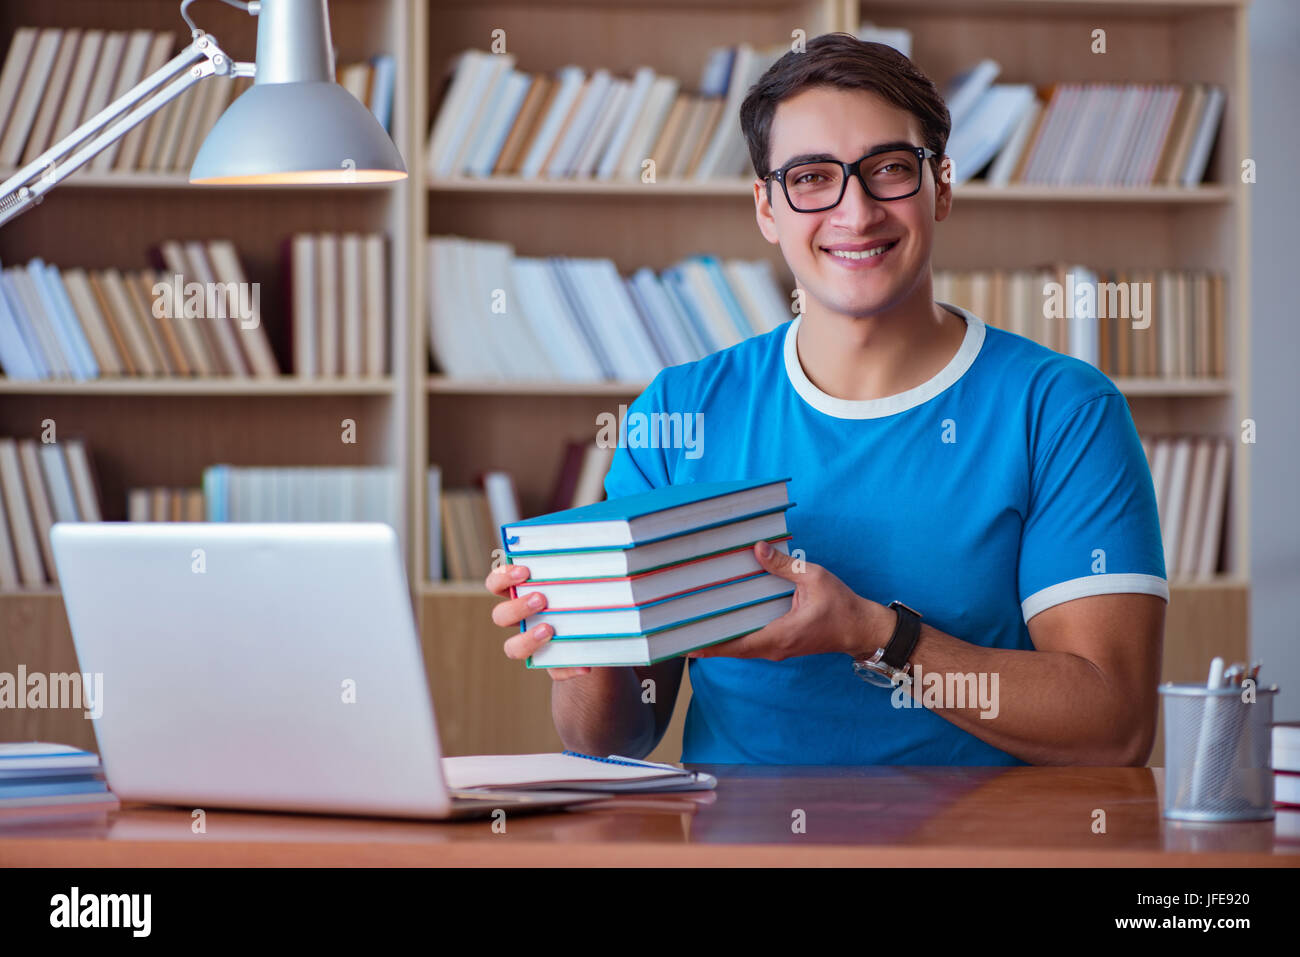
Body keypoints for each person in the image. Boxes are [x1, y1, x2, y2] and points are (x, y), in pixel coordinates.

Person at [485, 33, 1166, 766]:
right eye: (812, 178)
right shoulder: (677, 411)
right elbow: (607, 739)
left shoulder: (1064, 411)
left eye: (889, 169)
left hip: (981, 845)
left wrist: (874, 632)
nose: (856, 210)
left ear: (941, 186)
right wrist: (580, 642)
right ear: (767, 208)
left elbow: (1114, 724)